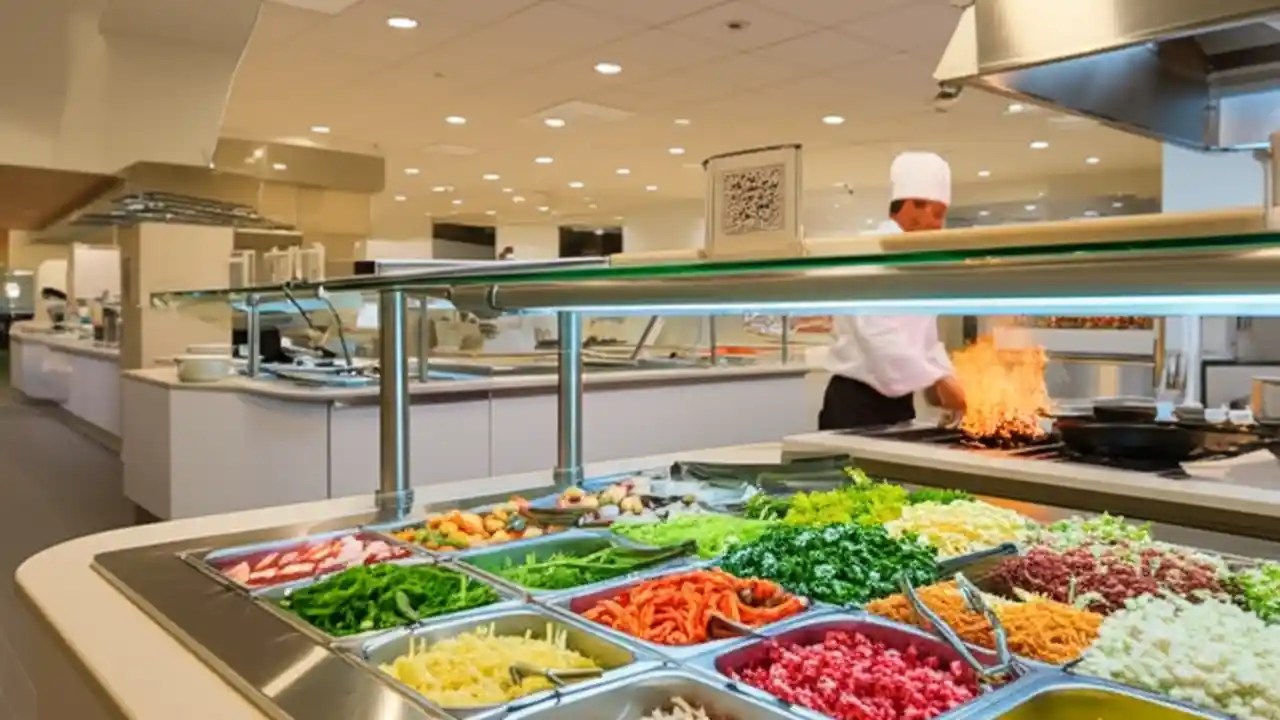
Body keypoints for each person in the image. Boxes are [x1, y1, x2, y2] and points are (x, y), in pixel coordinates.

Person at [818, 151, 967, 430]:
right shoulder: (869, 252)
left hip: (899, 406)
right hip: (855, 404)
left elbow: (927, 343)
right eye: (937, 215)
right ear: (911, 207)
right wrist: (934, 380)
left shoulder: (917, 264)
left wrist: (949, 378)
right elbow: (878, 336)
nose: (939, 226)